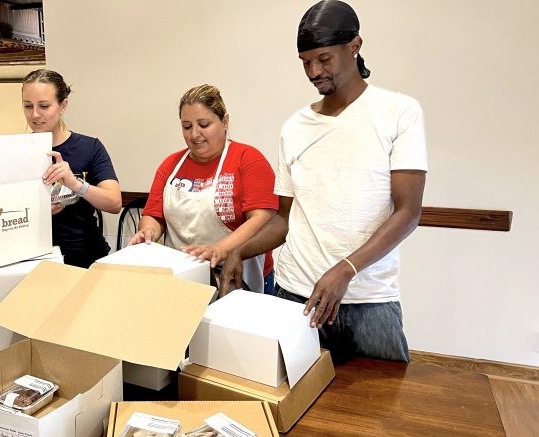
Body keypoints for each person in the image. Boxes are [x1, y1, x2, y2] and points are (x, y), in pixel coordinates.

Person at [220, 0, 427, 363]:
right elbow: (284, 219)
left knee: (380, 398)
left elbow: (408, 212)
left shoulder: (398, 113)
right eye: (305, 62)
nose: (314, 71)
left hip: (368, 301)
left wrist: (346, 270)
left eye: (324, 59)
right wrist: (240, 251)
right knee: (291, 396)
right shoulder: (295, 127)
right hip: (295, 296)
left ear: (354, 46)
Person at [129, 84, 278, 293]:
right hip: (183, 275)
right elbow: (154, 215)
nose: (194, 134)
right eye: (187, 126)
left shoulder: (248, 160)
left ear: (225, 121)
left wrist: (220, 249)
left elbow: (261, 219)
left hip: (238, 277)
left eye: (204, 124)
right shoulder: (171, 165)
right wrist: (148, 232)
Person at [21, 69, 121, 268]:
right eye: (28, 106)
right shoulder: (17, 151)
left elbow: (114, 203)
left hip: (86, 257)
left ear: (63, 105)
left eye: (44, 106)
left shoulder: (90, 147)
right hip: (34, 258)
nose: (35, 114)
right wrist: (37, 212)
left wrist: (76, 184)